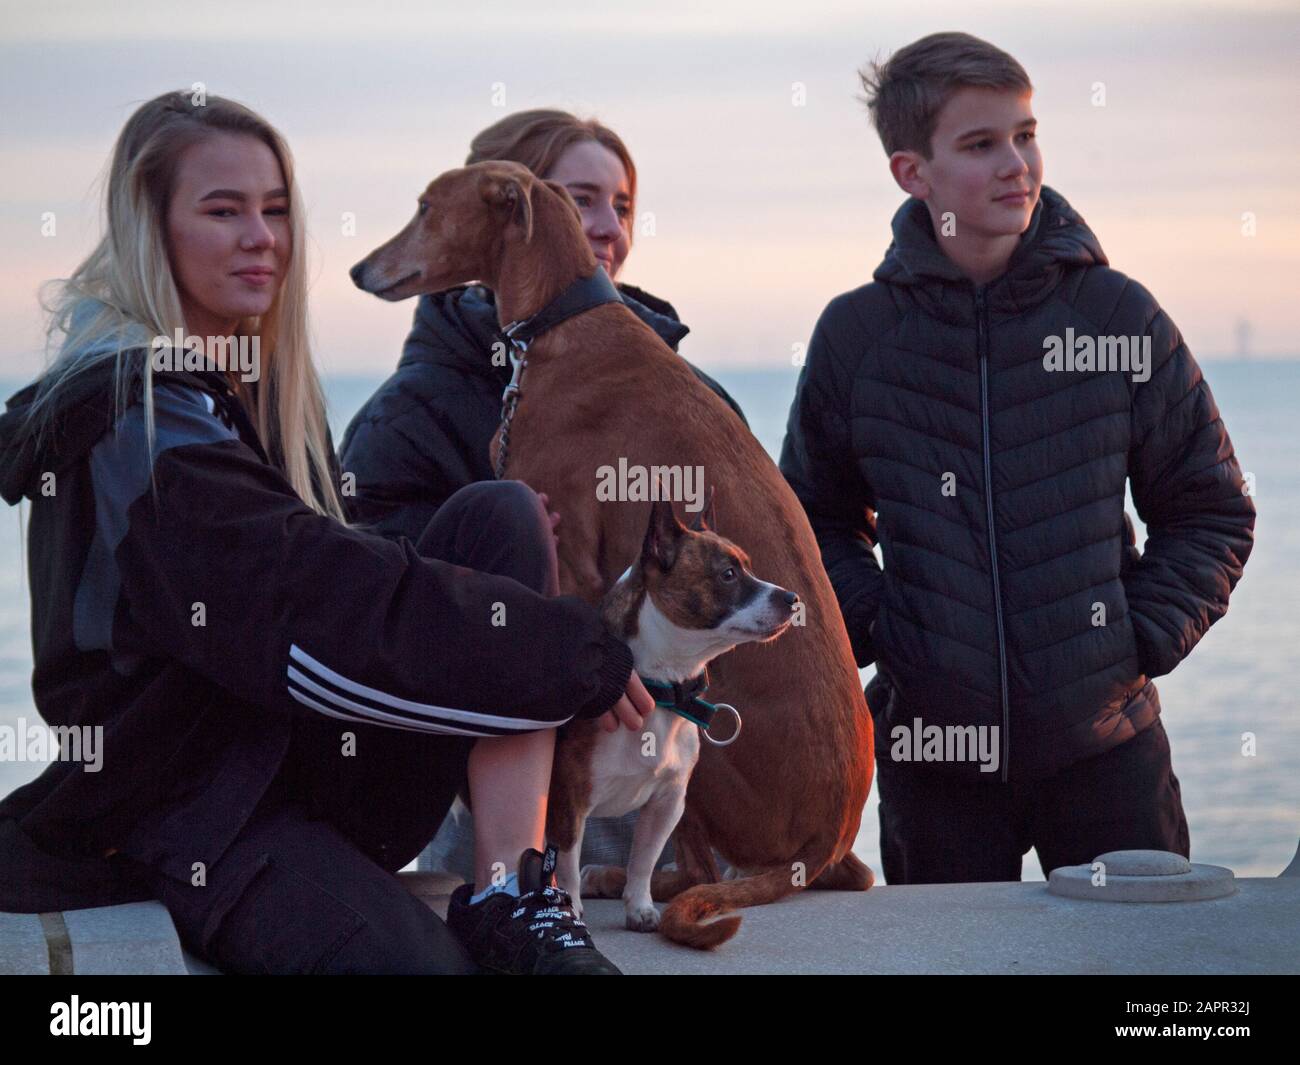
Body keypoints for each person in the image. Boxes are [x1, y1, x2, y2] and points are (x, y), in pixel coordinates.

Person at [0, 90, 654, 975]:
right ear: (150, 226)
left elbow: (352, 567)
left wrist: (533, 627)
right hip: (188, 803)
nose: (261, 236)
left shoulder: (252, 385)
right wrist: (566, 651)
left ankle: (511, 892)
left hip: (303, 761)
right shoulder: (139, 414)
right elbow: (308, 604)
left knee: (497, 513)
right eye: (222, 210)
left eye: (274, 210)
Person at [779, 33, 1255, 884]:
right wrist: (894, 632)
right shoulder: (859, 338)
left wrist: (1133, 641)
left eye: (1026, 135)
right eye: (981, 143)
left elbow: (1210, 507)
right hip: (936, 763)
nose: (1017, 164)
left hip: (1109, 755)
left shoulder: (1116, 316)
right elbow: (811, 523)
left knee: (1151, 1007)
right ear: (911, 172)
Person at [339, 109, 748, 880]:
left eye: (620, 205)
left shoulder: (696, 397)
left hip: (673, 821)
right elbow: (376, 620)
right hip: (500, 824)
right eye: (572, 199)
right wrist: (525, 567)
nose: (600, 226)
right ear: (498, 216)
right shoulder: (407, 416)